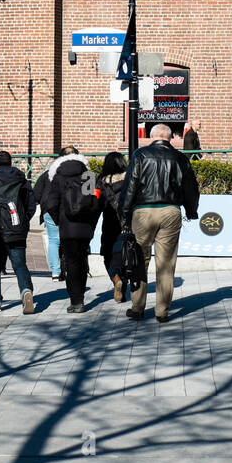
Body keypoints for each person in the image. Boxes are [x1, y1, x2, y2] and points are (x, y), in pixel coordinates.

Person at [118, 122, 199, 323]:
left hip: (143, 211)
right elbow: (191, 188)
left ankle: (137, 307)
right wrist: (191, 210)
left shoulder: (140, 155)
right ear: (170, 138)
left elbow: (130, 186)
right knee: (166, 262)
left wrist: (124, 214)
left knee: (140, 259)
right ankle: (162, 310)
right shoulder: (180, 158)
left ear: (152, 137)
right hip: (171, 210)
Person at [0, 149, 36, 313]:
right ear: (11, 163)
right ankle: (26, 291)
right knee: (20, 265)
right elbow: (31, 205)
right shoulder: (22, 180)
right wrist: (22, 221)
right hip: (17, 228)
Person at [46, 149, 101, 314]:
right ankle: (81, 298)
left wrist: (59, 220)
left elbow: (50, 203)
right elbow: (95, 202)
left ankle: (75, 300)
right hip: (85, 226)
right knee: (82, 259)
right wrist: (91, 222)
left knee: (71, 262)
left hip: (67, 227)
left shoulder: (58, 177)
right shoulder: (88, 176)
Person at [97, 151, 129, 302]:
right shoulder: (130, 178)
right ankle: (124, 286)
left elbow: (93, 202)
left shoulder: (100, 180)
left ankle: (116, 279)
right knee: (127, 255)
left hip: (109, 221)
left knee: (108, 255)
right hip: (128, 222)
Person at [33, 150, 67, 282]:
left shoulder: (46, 175)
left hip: (49, 210)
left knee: (53, 240)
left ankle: (55, 272)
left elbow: (36, 195)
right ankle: (68, 269)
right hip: (68, 211)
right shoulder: (82, 175)